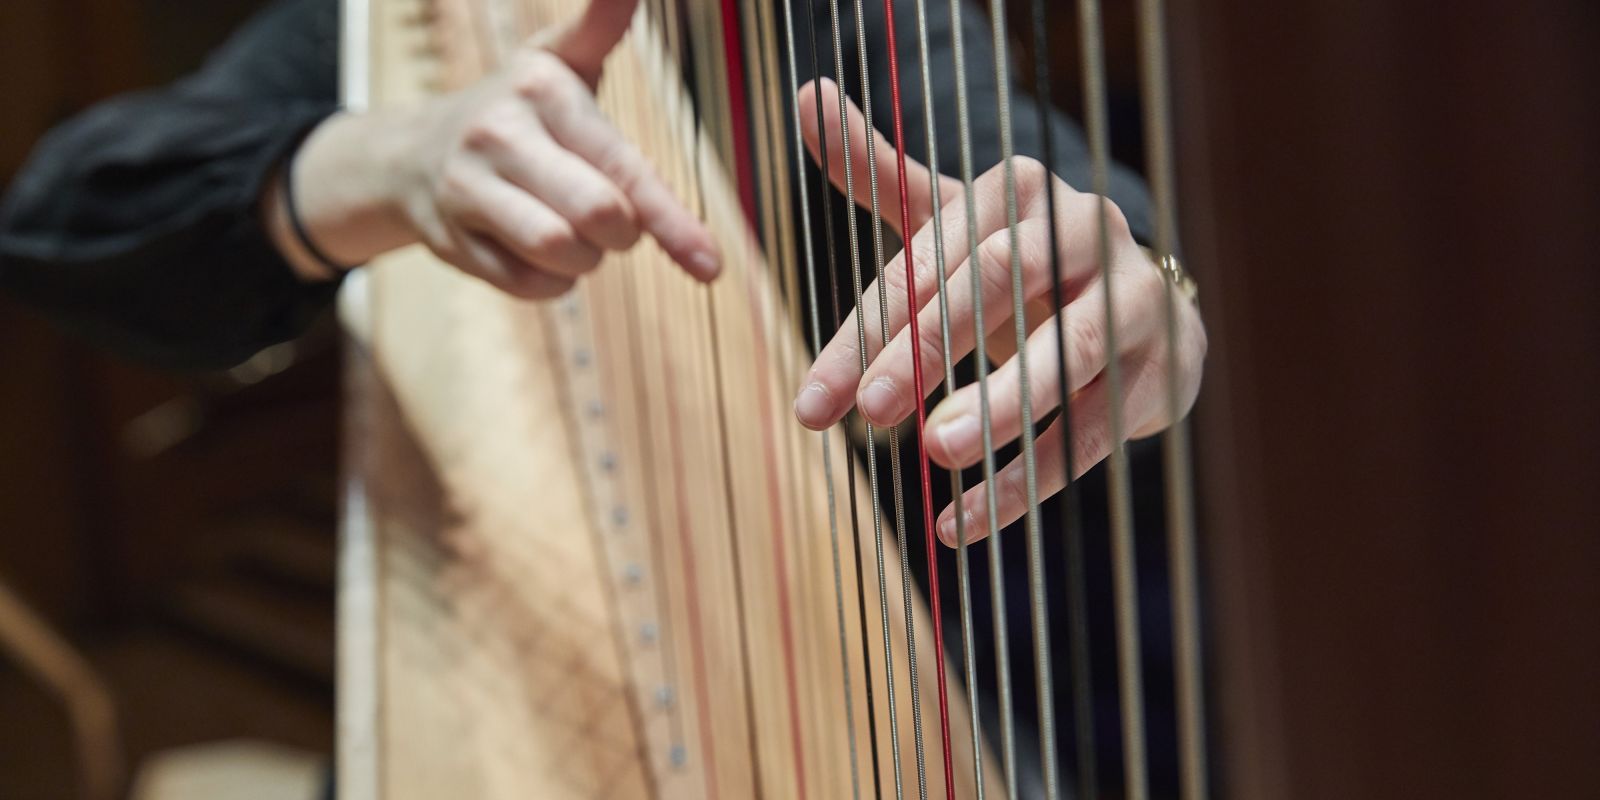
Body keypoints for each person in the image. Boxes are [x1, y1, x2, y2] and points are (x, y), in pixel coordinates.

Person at [0, 0, 1204, 791]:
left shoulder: (863, 25)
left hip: (881, 653)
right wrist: (388, 161)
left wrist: (1138, 282)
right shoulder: (402, 23)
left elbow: (1010, 164)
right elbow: (60, 220)